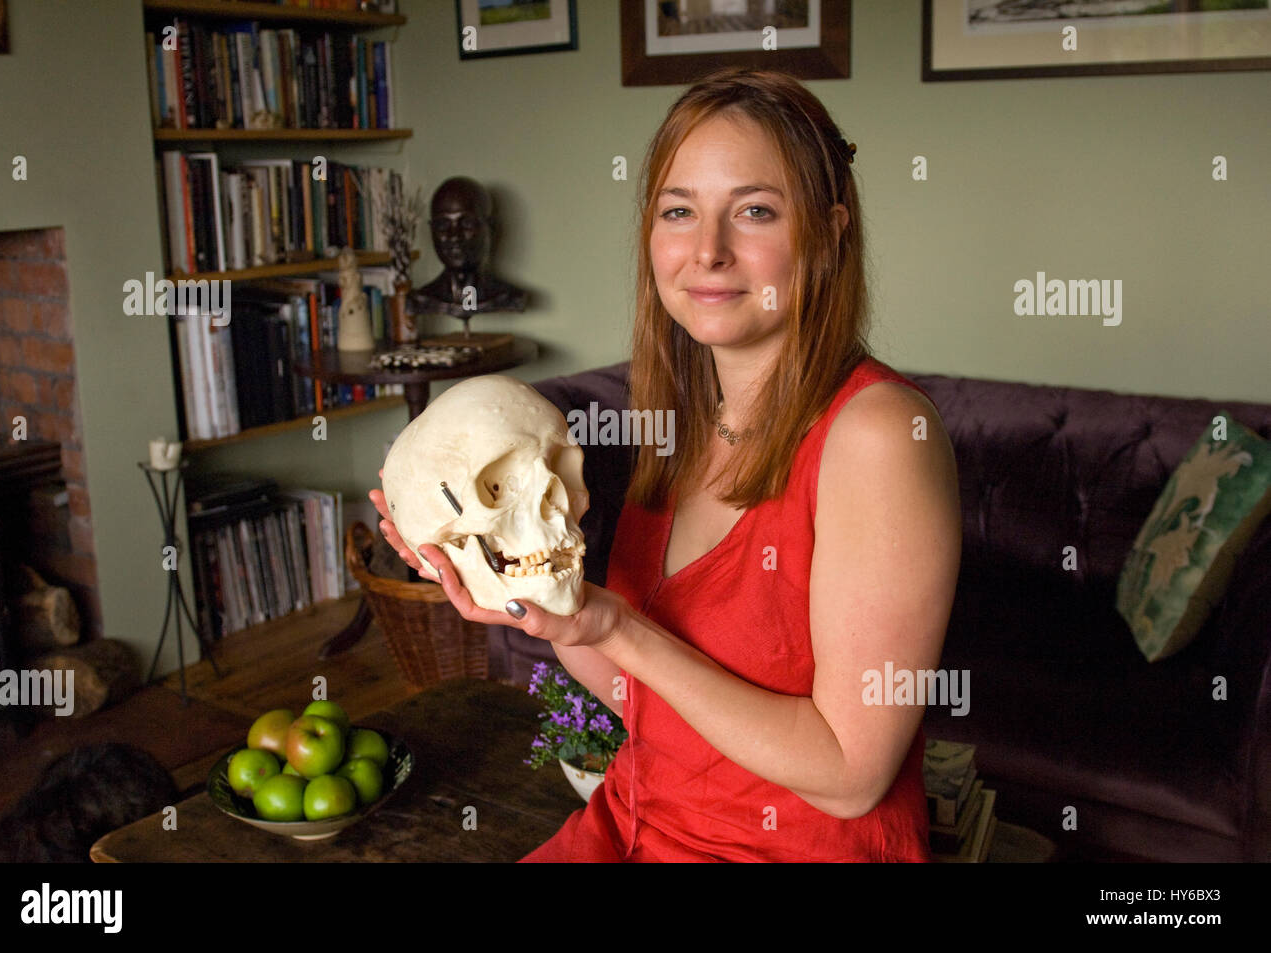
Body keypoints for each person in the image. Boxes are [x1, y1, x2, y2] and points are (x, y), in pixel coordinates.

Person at [370, 68, 961, 862]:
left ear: (829, 232)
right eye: (678, 211)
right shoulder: (679, 425)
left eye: (754, 211)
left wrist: (619, 625)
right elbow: (638, 696)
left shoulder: (881, 435)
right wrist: (541, 600)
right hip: (635, 820)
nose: (707, 251)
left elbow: (852, 773)